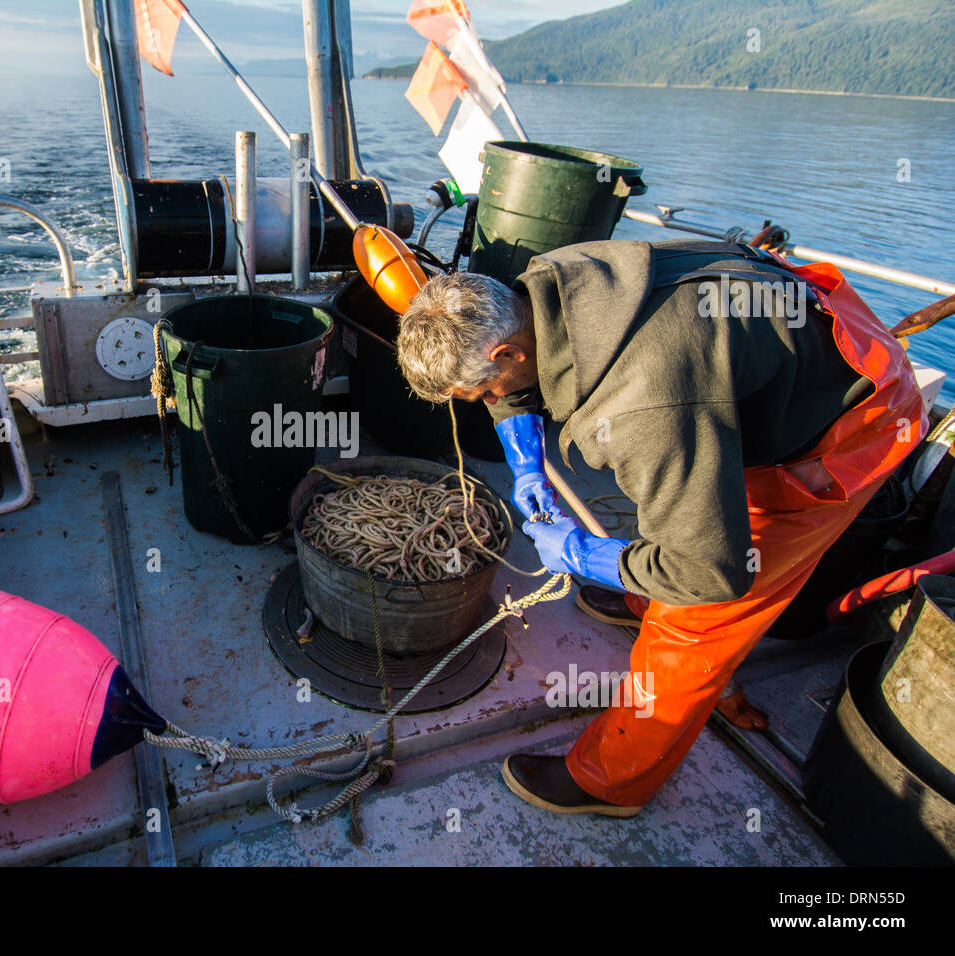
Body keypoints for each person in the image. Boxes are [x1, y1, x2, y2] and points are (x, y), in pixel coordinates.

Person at [396, 238, 927, 817]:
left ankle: (610, 781)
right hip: (765, 355)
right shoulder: (547, 287)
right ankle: (644, 587)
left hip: (851, 423)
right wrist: (526, 462)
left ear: (507, 353)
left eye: (483, 392)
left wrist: (577, 553)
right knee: (676, 510)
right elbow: (524, 380)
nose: (487, 401)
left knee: (696, 620)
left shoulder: (647, 407)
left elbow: (712, 572)